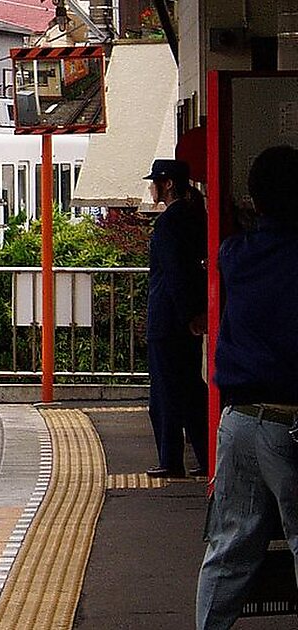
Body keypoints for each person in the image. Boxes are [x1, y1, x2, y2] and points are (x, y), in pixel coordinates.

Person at [195, 145, 298, 629]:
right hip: (290, 423)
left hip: (237, 422)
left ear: (256, 201)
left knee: (229, 546)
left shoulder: (235, 255)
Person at [143, 158, 208, 478]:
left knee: (165, 394)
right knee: (192, 389)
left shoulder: (169, 222)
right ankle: (207, 455)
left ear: (168, 184)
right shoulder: (195, 216)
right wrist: (195, 314)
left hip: (168, 320)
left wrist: (185, 315)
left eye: (155, 181)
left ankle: (170, 459)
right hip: (185, 318)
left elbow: (173, 273)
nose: (152, 186)